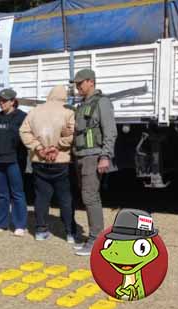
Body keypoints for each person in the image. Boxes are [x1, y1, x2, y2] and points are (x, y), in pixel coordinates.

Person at [20, 85, 78, 244]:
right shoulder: (68, 111)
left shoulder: (35, 111)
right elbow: (75, 134)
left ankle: (40, 230)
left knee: (41, 197)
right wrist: (57, 145)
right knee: (65, 198)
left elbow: (24, 131)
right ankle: (70, 233)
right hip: (61, 160)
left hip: (39, 160)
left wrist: (39, 148)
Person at [72, 69, 118, 256]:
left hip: (93, 156)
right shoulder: (83, 104)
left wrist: (105, 156)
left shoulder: (102, 102)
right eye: (76, 84)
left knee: (90, 197)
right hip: (82, 156)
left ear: (91, 82)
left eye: (80, 83)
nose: (77, 87)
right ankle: (95, 237)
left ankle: (96, 240)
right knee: (88, 197)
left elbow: (110, 131)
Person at [0, 88, 28, 236]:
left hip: (14, 161)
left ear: (13, 101)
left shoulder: (22, 117)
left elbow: (29, 138)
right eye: (0, 100)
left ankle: (19, 225)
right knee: (2, 194)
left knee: (17, 193)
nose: (1, 103)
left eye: (4, 101)